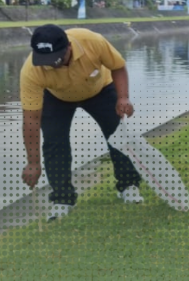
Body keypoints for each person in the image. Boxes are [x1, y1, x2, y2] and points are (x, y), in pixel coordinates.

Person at [19, 24, 145, 221]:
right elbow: (31, 119)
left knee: (118, 135)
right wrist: (33, 163)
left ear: (68, 47)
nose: (51, 65)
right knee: (54, 143)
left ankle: (128, 186)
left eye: (56, 59)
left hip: (99, 89)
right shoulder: (31, 71)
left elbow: (117, 66)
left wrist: (123, 97)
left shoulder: (92, 41)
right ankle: (62, 200)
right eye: (46, 61)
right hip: (56, 97)